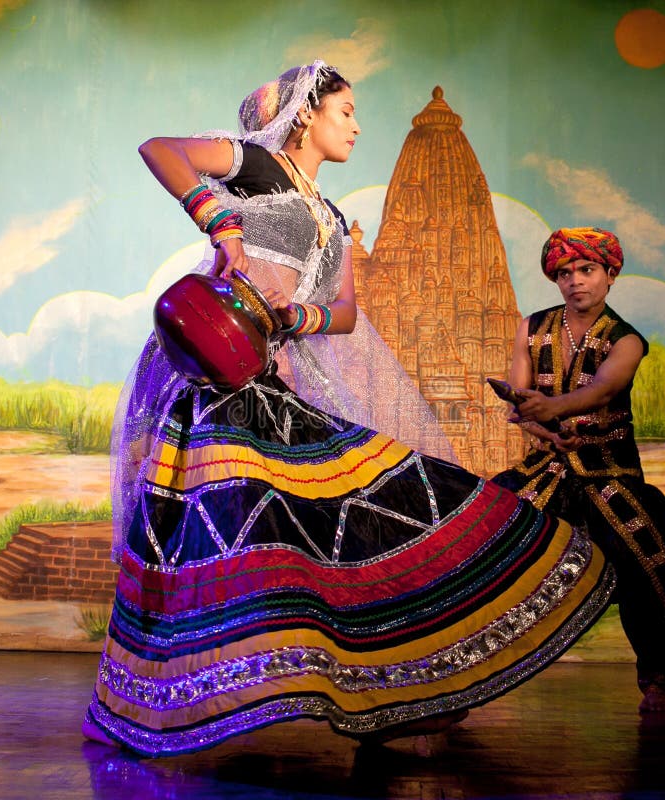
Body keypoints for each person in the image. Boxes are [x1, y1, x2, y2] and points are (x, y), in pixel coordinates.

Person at [82, 63, 615, 757]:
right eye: (346, 110)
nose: (358, 126)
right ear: (306, 114)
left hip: (270, 381)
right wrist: (227, 234)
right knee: (207, 535)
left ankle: (391, 687)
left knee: (364, 506)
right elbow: (162, 150)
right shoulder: (258, 168)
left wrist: (296, 312)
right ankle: (163, 699)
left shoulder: (330, 218)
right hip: (214, 375)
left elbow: (345, 313)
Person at [492, 227, 665, 714]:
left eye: (587, 270)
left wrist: (551, 408)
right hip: (547, 471)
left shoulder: (627, 340)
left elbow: (603, 391)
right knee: (480, 537)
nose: (575, 282)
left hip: (611, 477)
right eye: (565, 273)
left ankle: (659, 678)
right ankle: (454, 681)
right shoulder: (532, 327)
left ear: (610, 274)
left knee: (653, 563)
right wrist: (546, 429)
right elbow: (519, 407)